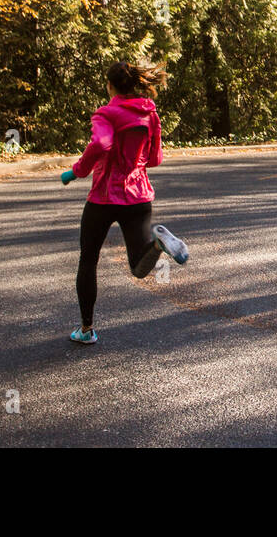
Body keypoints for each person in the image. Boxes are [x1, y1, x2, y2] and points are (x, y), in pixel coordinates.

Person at [61, 60, 188, 345]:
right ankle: (158, 244)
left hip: (104, 198)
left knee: (88, 259)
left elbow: (102, 144)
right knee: (138, 268)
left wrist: (77, 171)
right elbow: (155, 159)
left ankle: (86, 329)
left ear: (110, 86)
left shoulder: (105, 114)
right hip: (138, 197)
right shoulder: (149, 114)